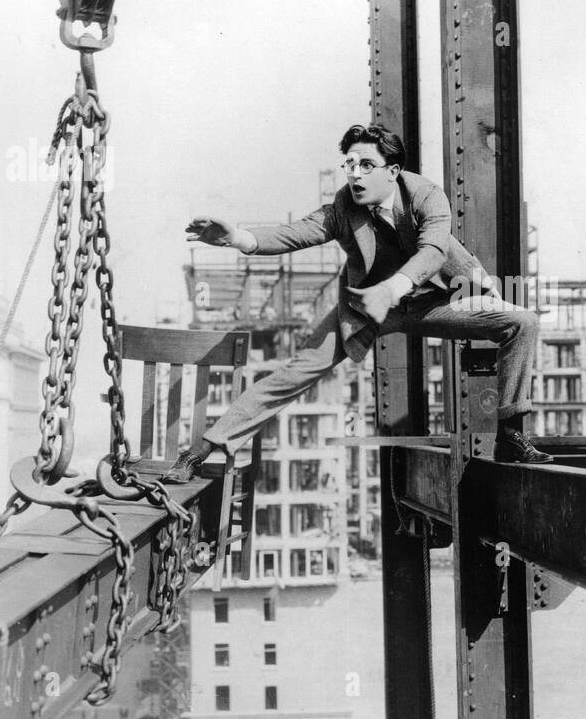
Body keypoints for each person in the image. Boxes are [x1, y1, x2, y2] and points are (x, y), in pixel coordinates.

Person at [160, 123, 553, 482]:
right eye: (349, 164)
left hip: (438, 299)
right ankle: (201, 451)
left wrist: (394, 287)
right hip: (367, 308)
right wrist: (238, 238)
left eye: (367, 164)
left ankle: (511, 435)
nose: (355, 174)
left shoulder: (427, 197)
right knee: (295, 372)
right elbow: (294, 233)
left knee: (523, 322)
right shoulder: (342, 208)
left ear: (393, 172)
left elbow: (434, 250)